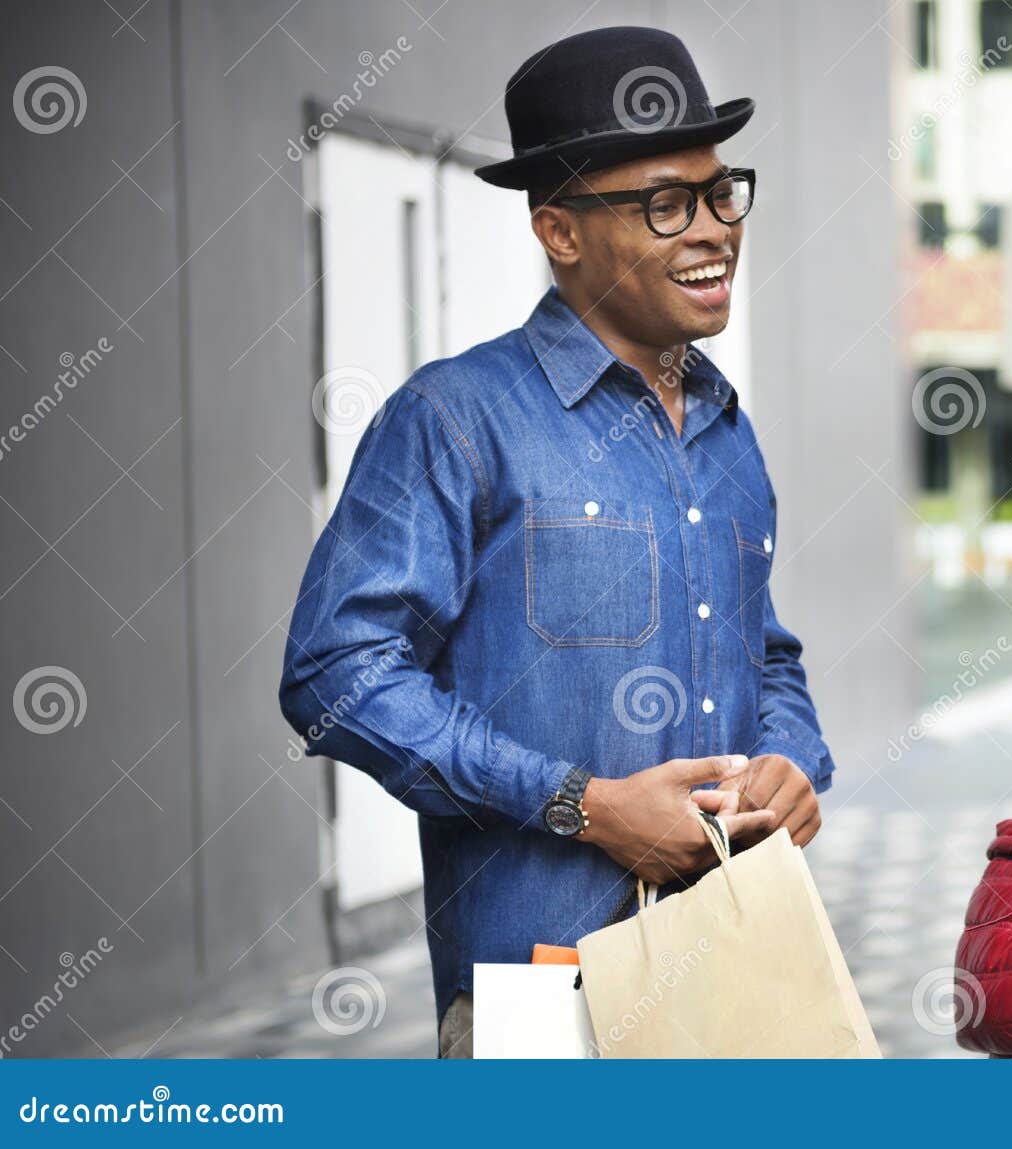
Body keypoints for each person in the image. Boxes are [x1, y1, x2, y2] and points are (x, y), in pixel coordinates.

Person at [278, 27, 832, 1059]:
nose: (713, 229)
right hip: (545, 1002)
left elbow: (766, 654)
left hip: (741, 966)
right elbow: (335, 675)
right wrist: (587, 807)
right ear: (560, 232)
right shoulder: (454, 419)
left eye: (722, 193)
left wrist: (792, 762)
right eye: (666, 204)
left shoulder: (723, 427)